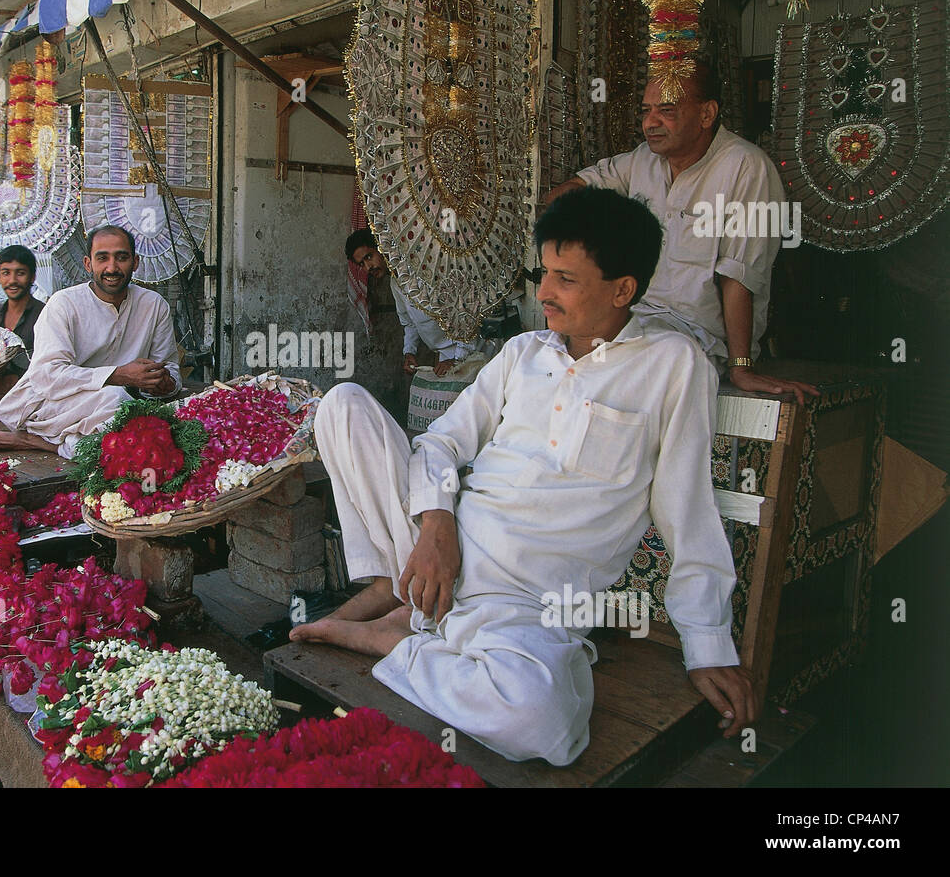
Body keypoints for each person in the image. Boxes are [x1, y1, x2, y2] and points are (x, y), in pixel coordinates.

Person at [292, 187, 757, 765]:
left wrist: (707, 645)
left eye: (565, 278)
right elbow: (440, 441)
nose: (543, 293)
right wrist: (437, 524)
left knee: (542, 723)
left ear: (622, 289)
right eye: (544, 273)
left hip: (524, 603)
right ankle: (403, 591)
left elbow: (689, 513)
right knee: (343, 406)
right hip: (436, 550)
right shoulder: (523, 352)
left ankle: (393, 636)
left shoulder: (672, 366)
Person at [544, 62, 817, 404]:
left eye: (667, 111)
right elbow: (566, 193)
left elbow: (739, 278)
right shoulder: (643, 160)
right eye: (646, 111)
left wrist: (741, 367)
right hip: (631, 322)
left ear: (707, 114)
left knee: (606, 383)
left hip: (696, 337)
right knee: (546, 359)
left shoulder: (745, 167)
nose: (649, 123)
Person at [0, 225, 180, 460]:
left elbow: (171, 371)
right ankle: (37, 437)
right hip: (55, 403)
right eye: (102, 258)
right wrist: (117, 375)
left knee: (140, 429)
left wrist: (163, 383)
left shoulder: (154, 304)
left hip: (117, 405)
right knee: (117, 402)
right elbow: (47, 376)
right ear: (88, 264)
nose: (112, 268)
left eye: (122, 258)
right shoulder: (63, 304)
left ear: (135, 262)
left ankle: (38, 443)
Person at [346, 228, 479, 377]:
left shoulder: (424, 270)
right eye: (362, 264)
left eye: (369, 257)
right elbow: (409, 323)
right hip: (446, 357)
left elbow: (467, 311)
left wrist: (457, 359)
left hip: (472, 353)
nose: (368, 267)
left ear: (382, 247)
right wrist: (409, 352)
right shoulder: (396, 283)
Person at [0, 244, 46, 433]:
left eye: (20, 273)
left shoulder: (44, 314)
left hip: (29, 407)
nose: (12, 280)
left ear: (32, 277)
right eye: (6, 273)